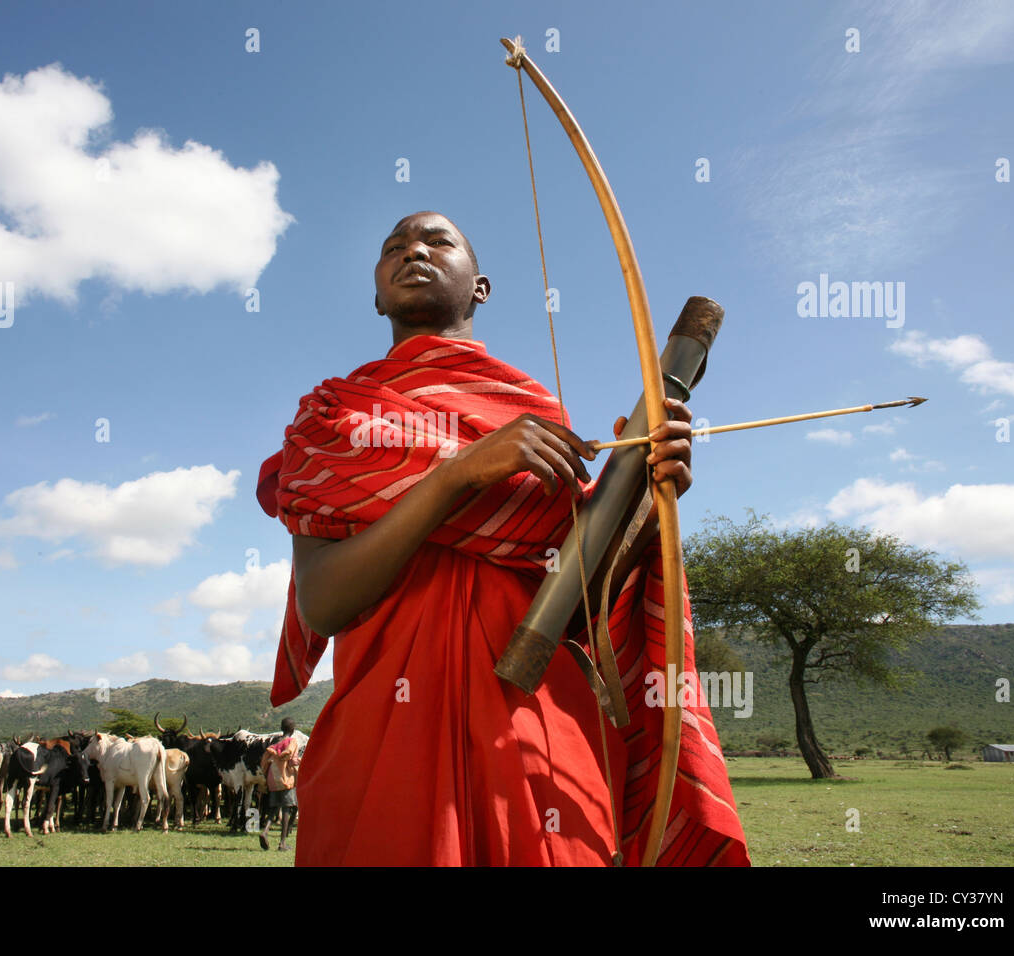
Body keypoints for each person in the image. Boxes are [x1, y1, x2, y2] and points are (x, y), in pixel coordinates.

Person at [257, 210, 749, 866]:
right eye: (395, 247)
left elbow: (578, 605)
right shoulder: (335, 420)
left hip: (535, 739)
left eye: (438, 241)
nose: (415, 252)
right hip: (379, 743)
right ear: (377, 294)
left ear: (480, 286)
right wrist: (454, 477)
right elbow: (322, 603)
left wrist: (649, 502)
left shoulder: (536, 414)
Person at [258, 718, 301, 851]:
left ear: (282, 728)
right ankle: (282, 843)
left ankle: (265, 831)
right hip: (285, 779)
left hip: (273, 779)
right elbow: (291, 759)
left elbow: (265, 761)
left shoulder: (275, 743)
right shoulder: (292, 741)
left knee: (274, 808)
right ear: (293, 730)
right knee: (287, 809)